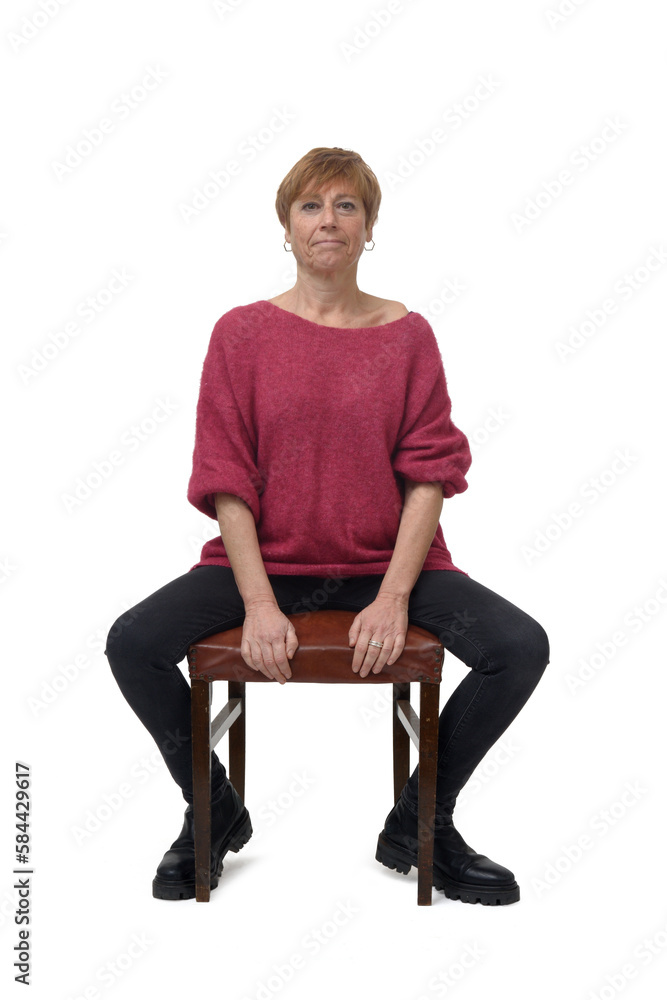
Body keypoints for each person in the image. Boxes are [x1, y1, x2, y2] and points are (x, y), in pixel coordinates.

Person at [105, 146, 550, 904]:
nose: (328, 221)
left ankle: (422, 822)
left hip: (388, 563)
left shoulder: (406, 335)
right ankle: (209, 810)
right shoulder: (240, 334)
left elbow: (428, 473)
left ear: (369, 226)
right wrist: (256, 604)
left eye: (347, 205)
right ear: (285, 225)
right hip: (263, 564)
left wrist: (394, 597)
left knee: (518, 647)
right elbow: (227, 480)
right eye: (311, 206)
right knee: (134, 643)